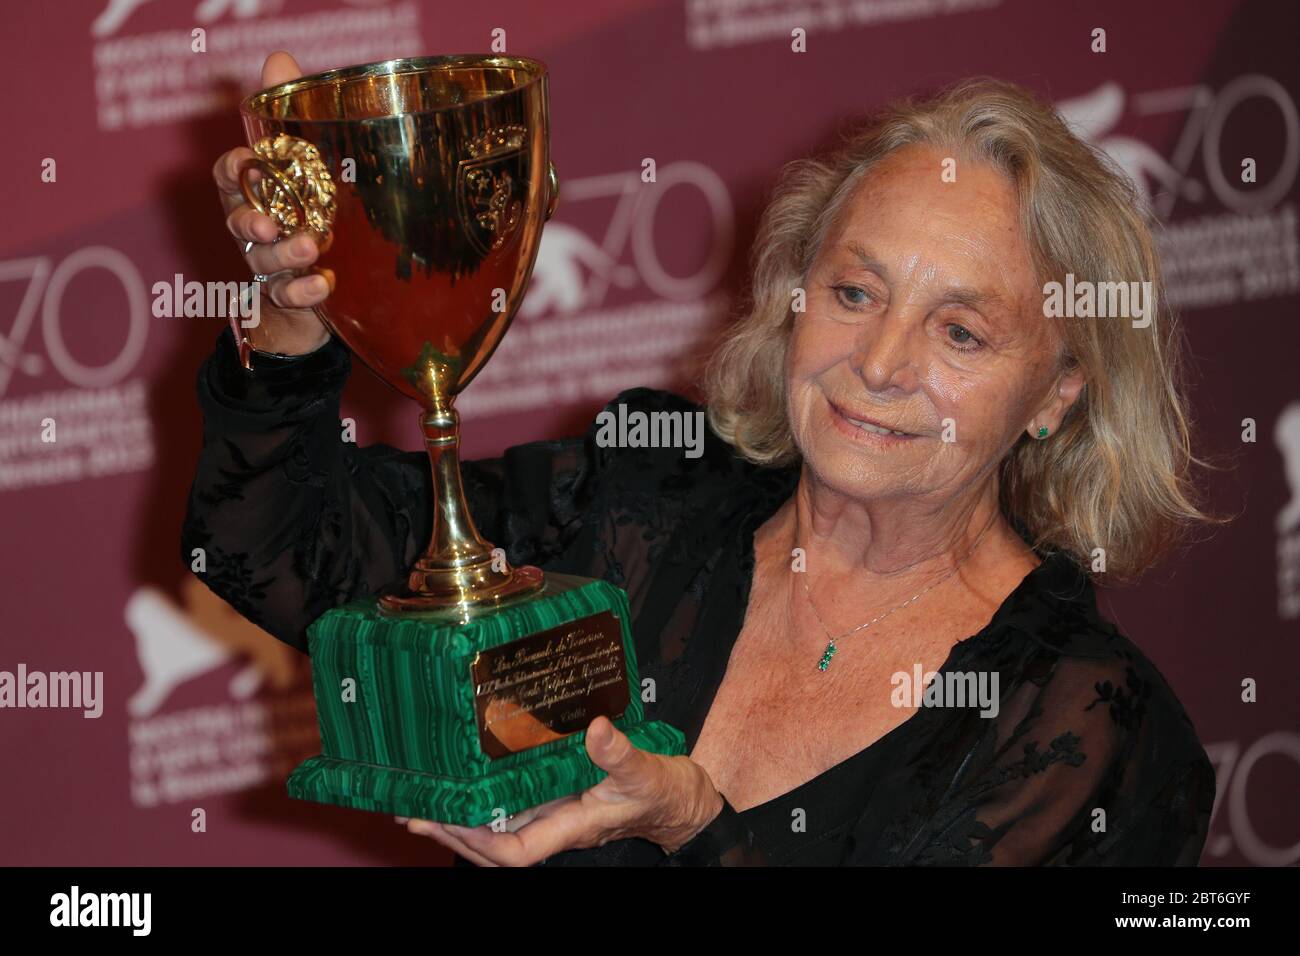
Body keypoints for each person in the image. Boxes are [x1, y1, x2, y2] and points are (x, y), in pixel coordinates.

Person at [182, 52, 1218, 865]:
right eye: (853, 293)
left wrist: (695, 827)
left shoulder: (1092, 726)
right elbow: (269, 550)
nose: (880, 363)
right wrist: (296, 309)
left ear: (1056, 391)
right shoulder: (638, 499)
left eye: (960, 332)